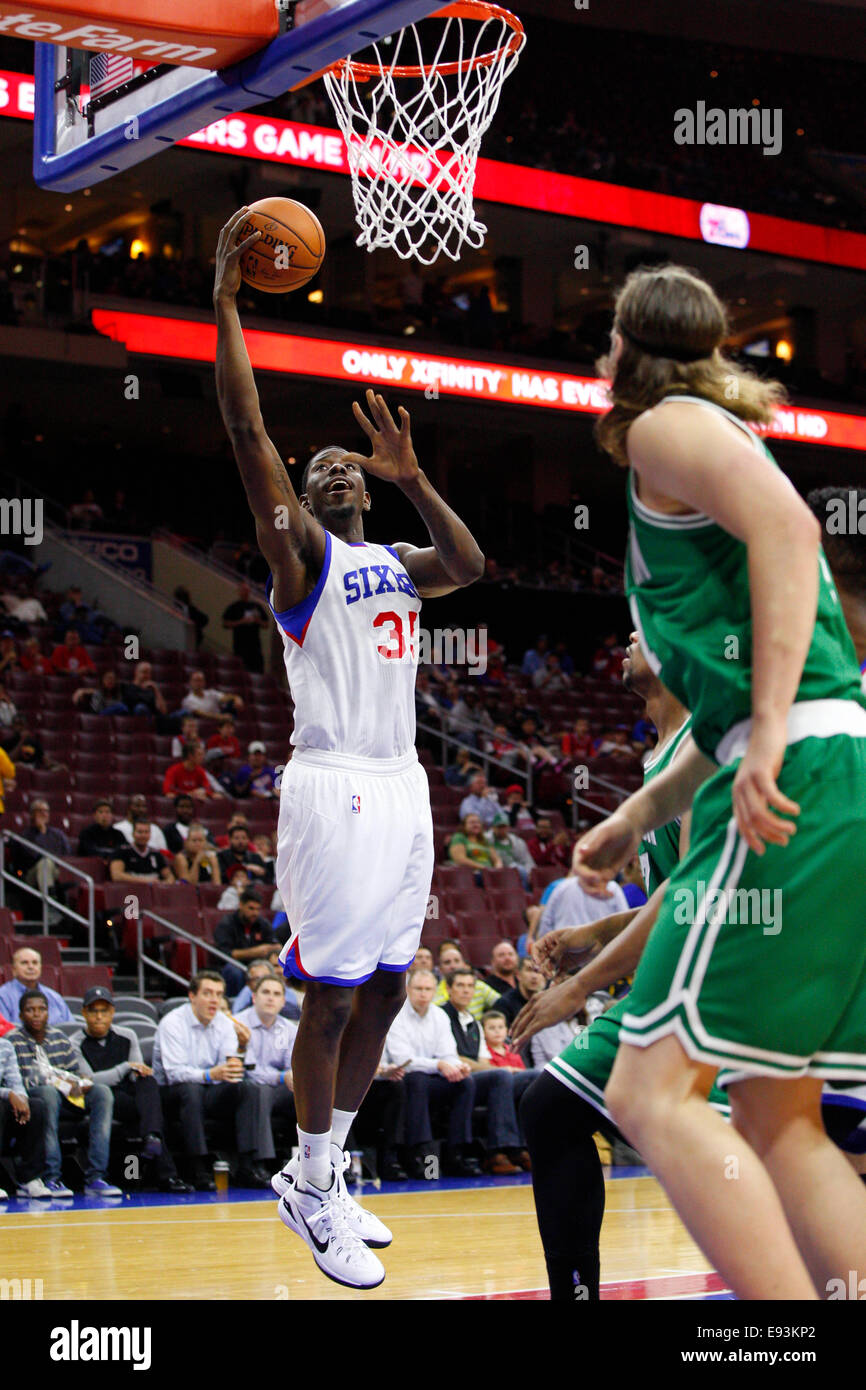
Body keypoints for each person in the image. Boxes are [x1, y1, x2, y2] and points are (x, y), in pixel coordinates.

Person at [574, 264, 866, 1300]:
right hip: (827, 761)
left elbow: (793, 535)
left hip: (799, 761)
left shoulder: (664, 426)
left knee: (648, 1092)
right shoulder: (700, 435)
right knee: (771, 1111)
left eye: (605, 339)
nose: (598, 357)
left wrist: (774, 734)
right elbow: (731, 698)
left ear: (629, 347)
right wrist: (638, 810)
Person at [214, 207, 483, 1287]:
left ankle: (321, 1171)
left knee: (379, 989)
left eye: (343, 466)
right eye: (314, 466)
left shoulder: (404, 561)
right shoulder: (302, 563)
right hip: (333, 784)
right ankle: (312, 1182)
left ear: (365, 486)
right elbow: (246, 435)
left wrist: (413, 473)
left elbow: (470, 563)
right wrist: (228, 306)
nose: (328, 471)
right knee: (327, 996)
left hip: (405, 786)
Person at [511, 632, 698, 1300]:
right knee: (549, 1107)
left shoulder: (703, 752)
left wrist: (582, 986)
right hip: (675, 983)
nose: (624, 639)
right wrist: (593, 932)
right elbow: (670, 896)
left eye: (644, 630)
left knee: (554, 1108)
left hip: (718, 986)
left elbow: (691, 899)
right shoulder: (659, 760)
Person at [152, 970, 273, 1190]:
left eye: (218, 994)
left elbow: (226, 1066)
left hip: (208, 1088)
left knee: (249, 1088)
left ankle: (247, 1166)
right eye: (207, 993)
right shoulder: (172, 1023)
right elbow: (173, 1073)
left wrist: (234, 1066)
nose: (214, 1000)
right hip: (171, 1093)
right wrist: (211, 1074)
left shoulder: (224, 1023)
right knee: (191, 1089)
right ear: (192, 996)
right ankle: (198, 1168)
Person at [71, 987, 191, 1194]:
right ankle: (167, 1172)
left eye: (104, 1011)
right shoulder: (74, 1042)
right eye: (93, 1011)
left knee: (148, 1081)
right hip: (101, 1100)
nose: (99, 1016)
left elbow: (137, 1071)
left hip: (131, 1095)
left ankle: (151, 1137)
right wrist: (125, 1068)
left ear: (112, 1012)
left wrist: (138, 1071)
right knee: (151, 1113)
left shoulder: (127, 1035)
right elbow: (89, 1081)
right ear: (84, 1013)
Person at [9, 989, 121, 1197]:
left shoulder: (59, 1038)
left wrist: (79, 1084)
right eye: (30, 1010)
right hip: (35, 1099)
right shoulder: (12, 1041)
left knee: (102, 1093)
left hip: (68, 1095)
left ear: (48, 1013)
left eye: (41, 1009)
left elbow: (74, 1072)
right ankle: (52, 1177)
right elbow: (13, 1081)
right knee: (48, 1094)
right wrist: (51, 1082)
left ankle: (96, 1177)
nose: (36, 1014)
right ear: (21, 1015)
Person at [382, 969, 478, 1179]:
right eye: (418, 989)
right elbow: (403, 1061)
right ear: (407, 989)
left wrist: (457, 1066)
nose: (423, 994)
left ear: (435, 991)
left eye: (428, 989)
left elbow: (449, 1054)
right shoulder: (396, 1014)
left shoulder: (440, 1015)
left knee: (466, 1083)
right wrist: (440, 1065)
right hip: (402, 1078)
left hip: (431, 1076)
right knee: (417, 1080)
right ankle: (421, 1154)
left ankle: (456, 1153)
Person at [439, 969, 525, 1174]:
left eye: (470, 986)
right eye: (460, 986)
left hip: (475, 1076)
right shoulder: (441, 1015)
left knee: (531, 1078)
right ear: (449, 989)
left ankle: (523, 1147)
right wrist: (501, 1069)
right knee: (501, 1075)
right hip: (451, 1078)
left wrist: (501, 1069)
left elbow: (483, 1061)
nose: (466, 991)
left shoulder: (474, 1022)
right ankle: (498, 1151)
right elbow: (452, 1057)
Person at [235, 974, 298, 1159]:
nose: (271, 998)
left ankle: (325, 1159)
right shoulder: (238, 1025)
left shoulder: (290, 1029)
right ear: (254, 997)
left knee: (316, 1092)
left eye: (277, 994)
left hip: (279, 1089)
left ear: (283, 1002)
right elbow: (250, 1071)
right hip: (245, 1088)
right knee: (258, 1090)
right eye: (266, 992)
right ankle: (263, 1161)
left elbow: (291, 1068)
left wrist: (290, 1076)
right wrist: (282, 1077)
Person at [534, 850, 629, 942]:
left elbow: (545, 926)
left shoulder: (561, 887)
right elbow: (626, 924)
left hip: (594, 950)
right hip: (571, 950)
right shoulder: (613, 888)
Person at [0, 1031, 50, 1198]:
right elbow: (9, 1092)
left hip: (4, 1100)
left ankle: (29, 1178)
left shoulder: (5, 1046)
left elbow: (15, 1081)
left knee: (36, 1107)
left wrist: (22, 1098)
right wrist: (10, 1095)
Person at [8, 798, 71, 926]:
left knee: (50, 864)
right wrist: (40, 833)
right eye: (39, 811)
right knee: (45, 863)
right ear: (32, 814)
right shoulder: (25, 835)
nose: (44, 814)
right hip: (31, 876)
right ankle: (50, 907)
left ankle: (65, 908)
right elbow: (33, 856)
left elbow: (67, 856)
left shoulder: (58, 834)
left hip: (56, 870)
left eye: (46, 811)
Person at [214, 890, 279, 997]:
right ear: (241, 905)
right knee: (234, 972)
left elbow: (275, 944)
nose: (255, 913)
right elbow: (223, 953)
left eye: (258, 909)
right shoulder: (226, 923)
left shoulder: (262, 923)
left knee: (277, 967)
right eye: (251, 908)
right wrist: (254, 952)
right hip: (233, 965)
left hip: (258, 964)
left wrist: (272, 948)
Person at [0, 946, 71, 1025]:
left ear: (40, 967)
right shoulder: (2, 996)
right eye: (24, 963)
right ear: (14, 969)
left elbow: (71, 1028)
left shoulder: (54, 997)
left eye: (35, 962)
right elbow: (4, 1031)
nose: (31, 967)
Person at [432, 943, 501, 1016]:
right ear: (440, 969)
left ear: (464, 964)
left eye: (457, 961)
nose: (453, 966)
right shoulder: (433, 993)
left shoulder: (480, 986)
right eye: (447, 962)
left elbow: (502, 1004)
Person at [109, 819, 175, 885]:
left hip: (153, 892)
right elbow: (117, 876)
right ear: (133, 833)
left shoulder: (156, 854)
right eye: (140, 832)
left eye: (146, 832)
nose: (143, 835)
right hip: (130, 892)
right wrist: (145, 881)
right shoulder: (122, 850)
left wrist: (165, 882)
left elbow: (169, 876)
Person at [222, 582, 268, 674]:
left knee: (257, 669)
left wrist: (257, 620)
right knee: (240, 669)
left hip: (255, 645)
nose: (245, 593)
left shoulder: (256, 606)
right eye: (243, 590)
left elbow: (266, 624)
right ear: (239, 592)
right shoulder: (234, 607)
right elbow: (225, 623)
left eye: (247, 590)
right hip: (240, 644)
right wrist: (241, 622)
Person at [495, 955, 547, 1028]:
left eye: (538, 971)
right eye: (529, 970)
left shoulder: (550, 1001)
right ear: (518, 974)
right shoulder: (504, 1004)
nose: (534, 976)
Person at [486, 815, 533, 887]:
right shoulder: (487, 840)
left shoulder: (518, 842)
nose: (502, 830)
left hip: (514, 870)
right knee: (520, 870)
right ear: (493, 828)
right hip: (496, 870)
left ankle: (525, 894)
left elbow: (527, 860)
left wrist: (529, 872)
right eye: (499, 827)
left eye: (504, 827)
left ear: (508, 827)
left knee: (521, 870)